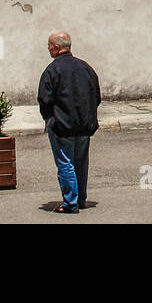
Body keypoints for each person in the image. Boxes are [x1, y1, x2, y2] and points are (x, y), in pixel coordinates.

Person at [37, 31, 101, 213]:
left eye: (49, 46)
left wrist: (50, 119)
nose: (48, 49)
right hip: (84, 126)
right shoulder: (86, 67)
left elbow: (44, 99)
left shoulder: (52, 70)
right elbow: (96, 96)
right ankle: (80, 199)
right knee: (81, 162)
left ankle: (70, 203)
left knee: (65, 163)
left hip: (62, 126)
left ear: (56, 48)